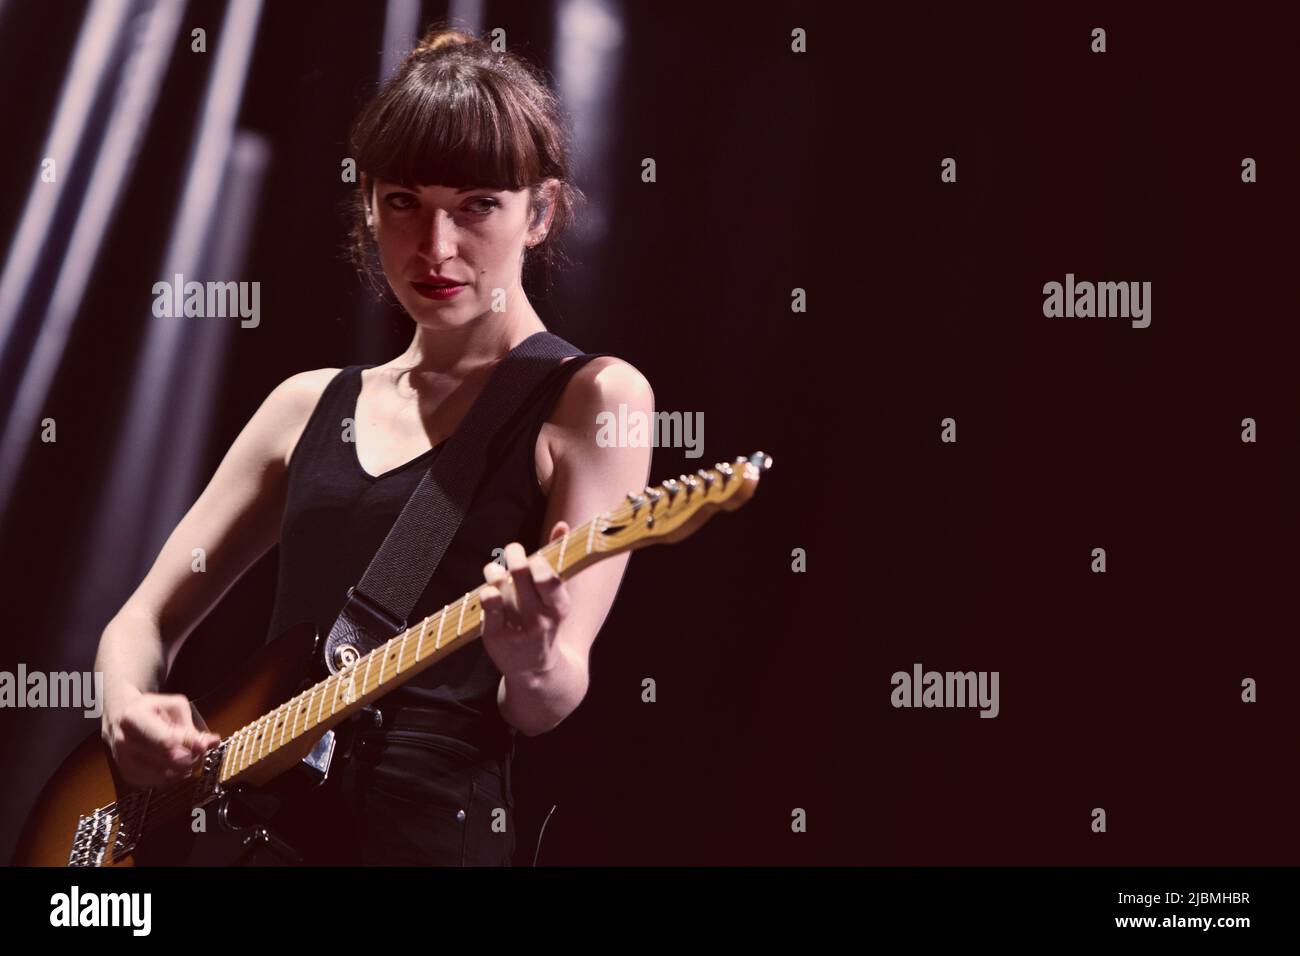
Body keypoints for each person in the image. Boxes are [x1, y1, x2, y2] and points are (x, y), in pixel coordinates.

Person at [93, 25, 654, 865]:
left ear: (538, 212)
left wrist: (531, 658)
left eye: (477, 207)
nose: (437, 249)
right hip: (261, 836)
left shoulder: (596, 399)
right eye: (405, 203)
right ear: (368, 203)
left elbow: (546, 699)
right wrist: (125, 704)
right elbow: (140, 620)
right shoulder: (305, 404)